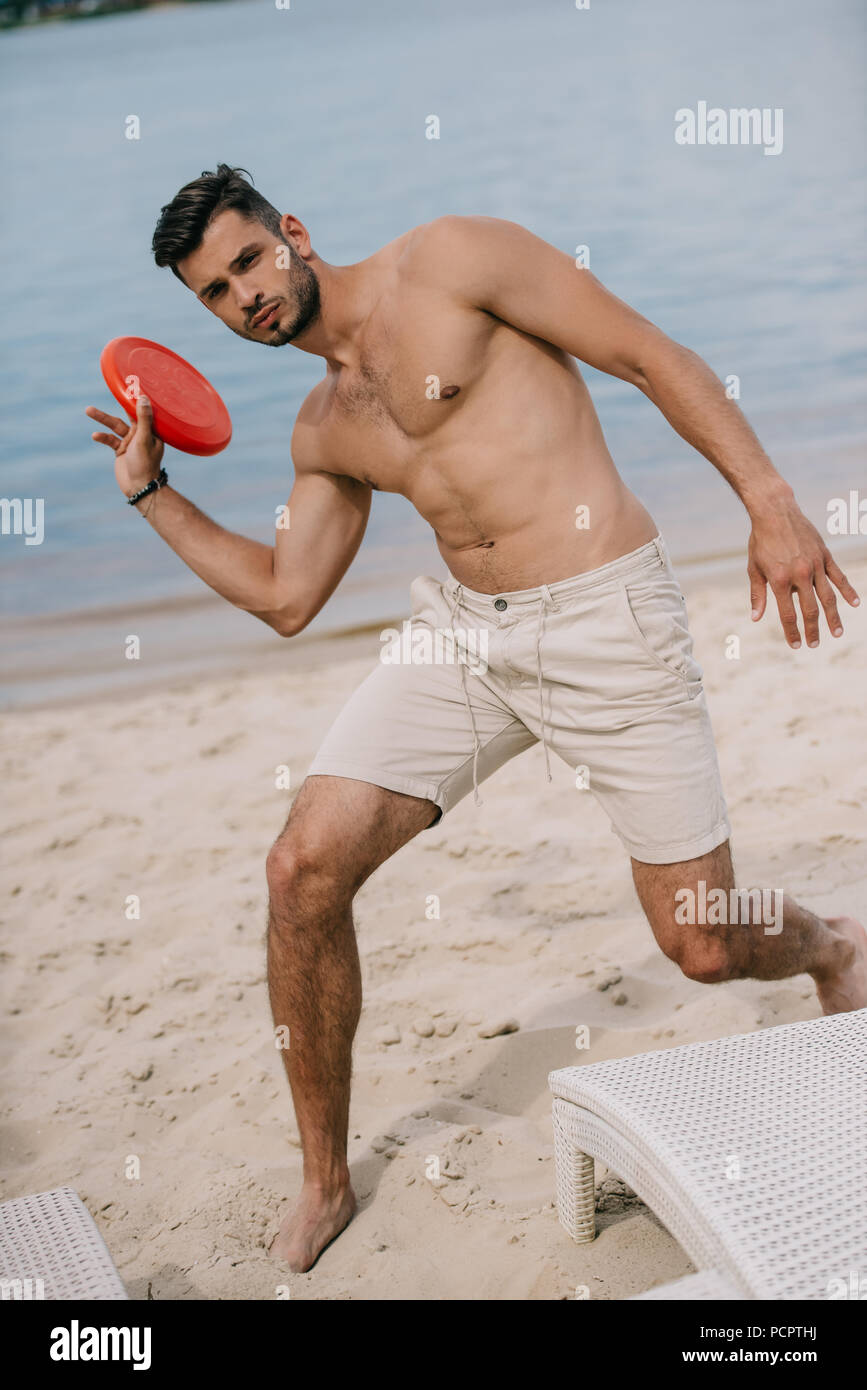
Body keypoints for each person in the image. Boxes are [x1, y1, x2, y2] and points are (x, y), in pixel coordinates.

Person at [86, 165, 866, 1272]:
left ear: (293, 233)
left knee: (700, 943)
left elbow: (648, 353)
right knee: (298, 871)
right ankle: (324, 1175)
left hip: (606, 616)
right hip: (464, 637)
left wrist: (771, 501)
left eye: (250, 260)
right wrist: (149, 490)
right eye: (215, 292)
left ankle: (834, 943)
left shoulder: (453, 260)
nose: (245, 295)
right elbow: (285, 595)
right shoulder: (324, 427)